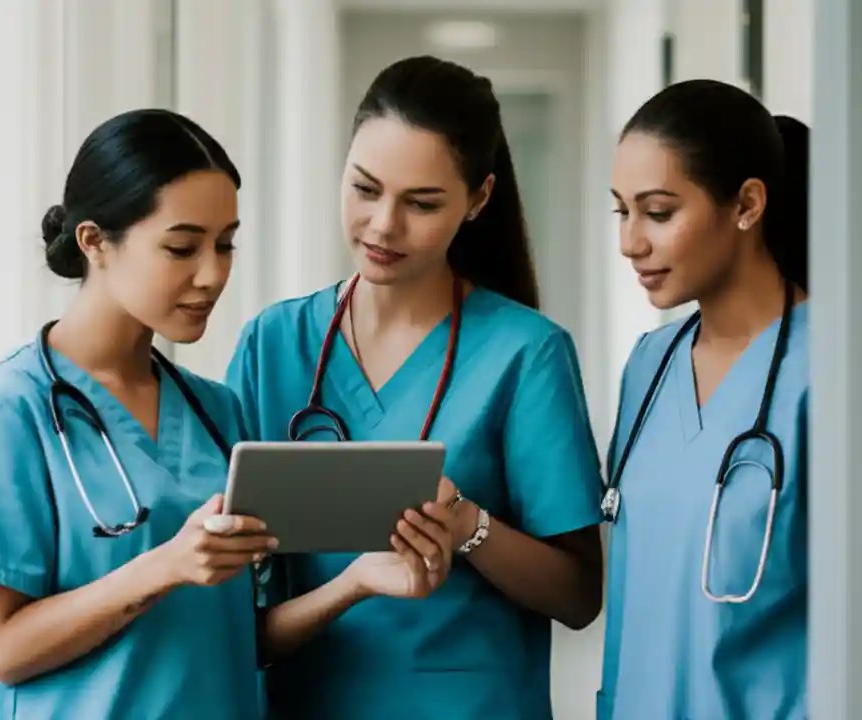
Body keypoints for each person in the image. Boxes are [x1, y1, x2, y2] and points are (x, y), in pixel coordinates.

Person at [226, 55, 606, 720]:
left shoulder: (525, 353)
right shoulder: (273, 344)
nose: (383, 225)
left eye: (421, 203)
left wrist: (468, 526)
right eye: (364, 189)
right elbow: (226, 591)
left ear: (479, 199)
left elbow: (577, 596)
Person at [0, 109, 280, 719]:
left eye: (225, 244)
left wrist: (362, 580)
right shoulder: (8, 412)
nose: (212, 275)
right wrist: (165, 566)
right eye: (182, 247)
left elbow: (230, 636)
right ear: (94, 241)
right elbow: (5, 649)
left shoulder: (216, 412)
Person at [596, 79, 811, 718]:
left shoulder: (830, 371)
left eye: (659, 213)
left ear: (746, 204)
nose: (630, 242)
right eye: (621, 212)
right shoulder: (650, 366)